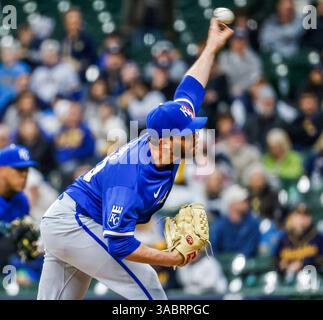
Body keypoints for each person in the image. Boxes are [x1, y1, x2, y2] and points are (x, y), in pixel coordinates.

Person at [37, 19, 234, 300]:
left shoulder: (165, 134)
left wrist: (212, 47)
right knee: (148, 285)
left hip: (68, 222)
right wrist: (171, 257)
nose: (196, 137)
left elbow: (190, 89)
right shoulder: (131, 176)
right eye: (188, 134)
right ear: (166, 139)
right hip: (75, 224)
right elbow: (119, 245)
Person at [0, 145, 37, 268]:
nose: (24, 175)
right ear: (2, 169)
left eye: (26, 169)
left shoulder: (21, 200)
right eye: (19, 169)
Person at [211, 184, 260, 258]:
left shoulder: (252, 224)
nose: (247, 203)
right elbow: (214, 250)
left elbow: (249, 249)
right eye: (243, 201)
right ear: (232, 204)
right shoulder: (219, 226)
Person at [276, 204, 323, 279]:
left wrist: (303, 264)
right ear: (291, 218)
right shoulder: (284, 239)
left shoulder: (318, 238)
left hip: (314, 280)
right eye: (298, 215)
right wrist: (281, 265)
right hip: (287, 281)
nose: (302, 218)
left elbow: (320, 261)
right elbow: (275, 261)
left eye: (306, 215)